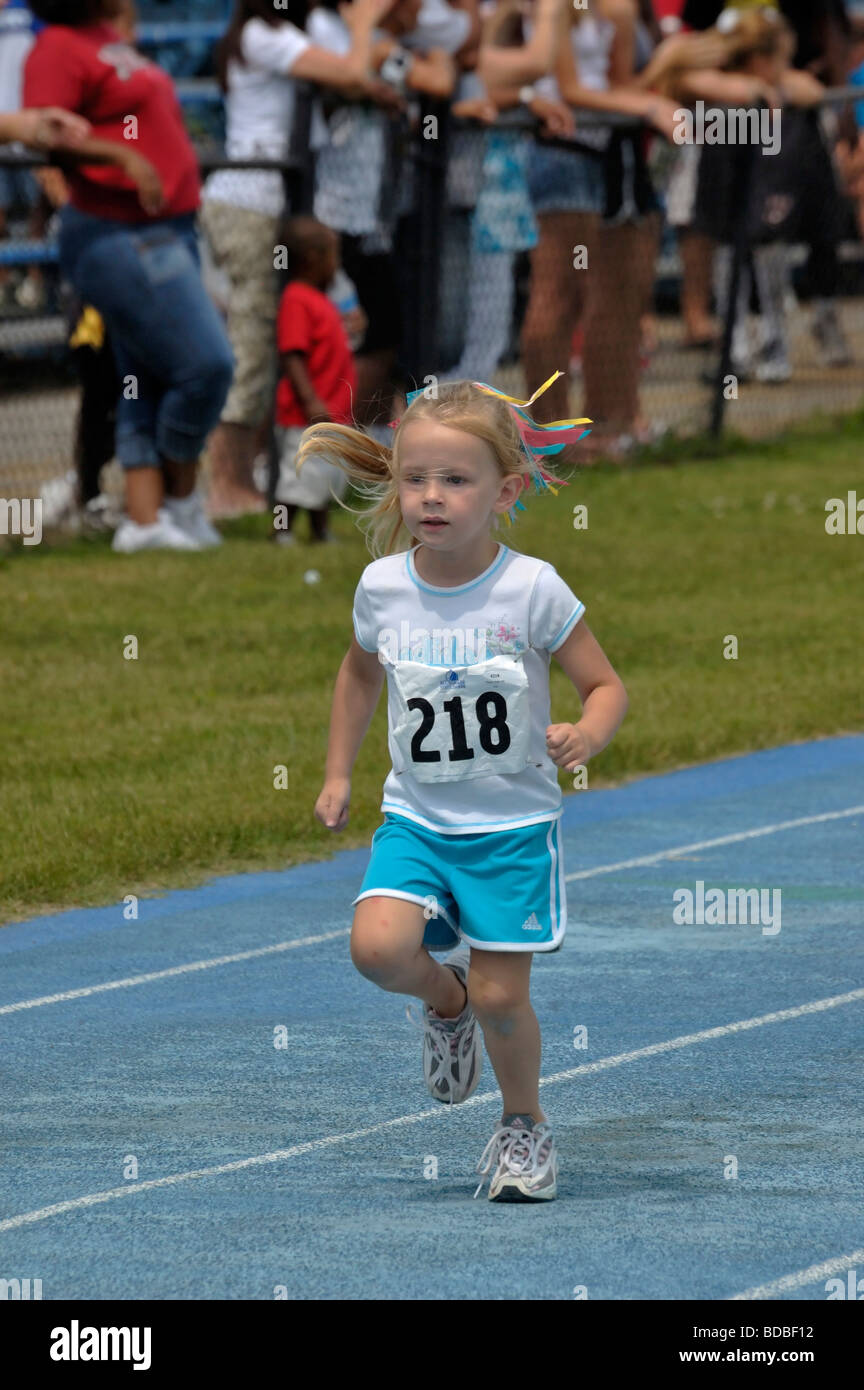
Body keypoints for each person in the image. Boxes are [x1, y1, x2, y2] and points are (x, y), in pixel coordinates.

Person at [305, 372, 628, 1202]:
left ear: (505, 490)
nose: (431, 498)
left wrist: (585, 735)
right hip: (417, 816)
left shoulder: (532, 589)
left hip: (511, 829)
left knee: (503, 996)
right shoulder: (382, 587)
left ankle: (523, 1126)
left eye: (455, 481)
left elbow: (605, 686)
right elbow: (357, 675)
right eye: (415, 480)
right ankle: (442, 1006)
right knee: (377, 947)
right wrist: (339, 772)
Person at [23, 0, 235, 553]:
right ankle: (183, 498)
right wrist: (122, 158)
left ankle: (145, 523)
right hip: (120, 233)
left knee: (144, 376)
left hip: (166, 227)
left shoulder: (102, 35)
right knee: (207, 365)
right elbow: (43, 130)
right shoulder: (56, 46)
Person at [200, 0, 393, 519]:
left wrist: (365, 75)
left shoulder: (283, 34)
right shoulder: (265, 34)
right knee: (254, 343)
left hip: (274, 205)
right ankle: (228, 486)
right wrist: (366, 21)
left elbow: (353, 78)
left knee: (277, 340)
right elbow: (352, 68)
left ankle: (258, 476)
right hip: (248, 205)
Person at [518, 0, 679, 458]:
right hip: (557, 151)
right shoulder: (553, 8)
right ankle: (548, 437)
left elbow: (615, 83)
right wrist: (650, 105)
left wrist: (659, 81)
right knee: (556, 295)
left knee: (584, 295)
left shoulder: (610, 11)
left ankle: (596, 430)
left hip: (595, 156)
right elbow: (569, 88)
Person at [272, 217, 357, 544]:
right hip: (305, 414)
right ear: (312, 258)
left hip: (331, 410)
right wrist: (310, 400)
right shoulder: (297, 299)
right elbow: (292, 354)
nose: (336, 264)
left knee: (323, 475)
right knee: (299, 477)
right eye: (332, 255)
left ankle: (320, 531)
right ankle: (281, 530)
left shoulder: (321, 300)